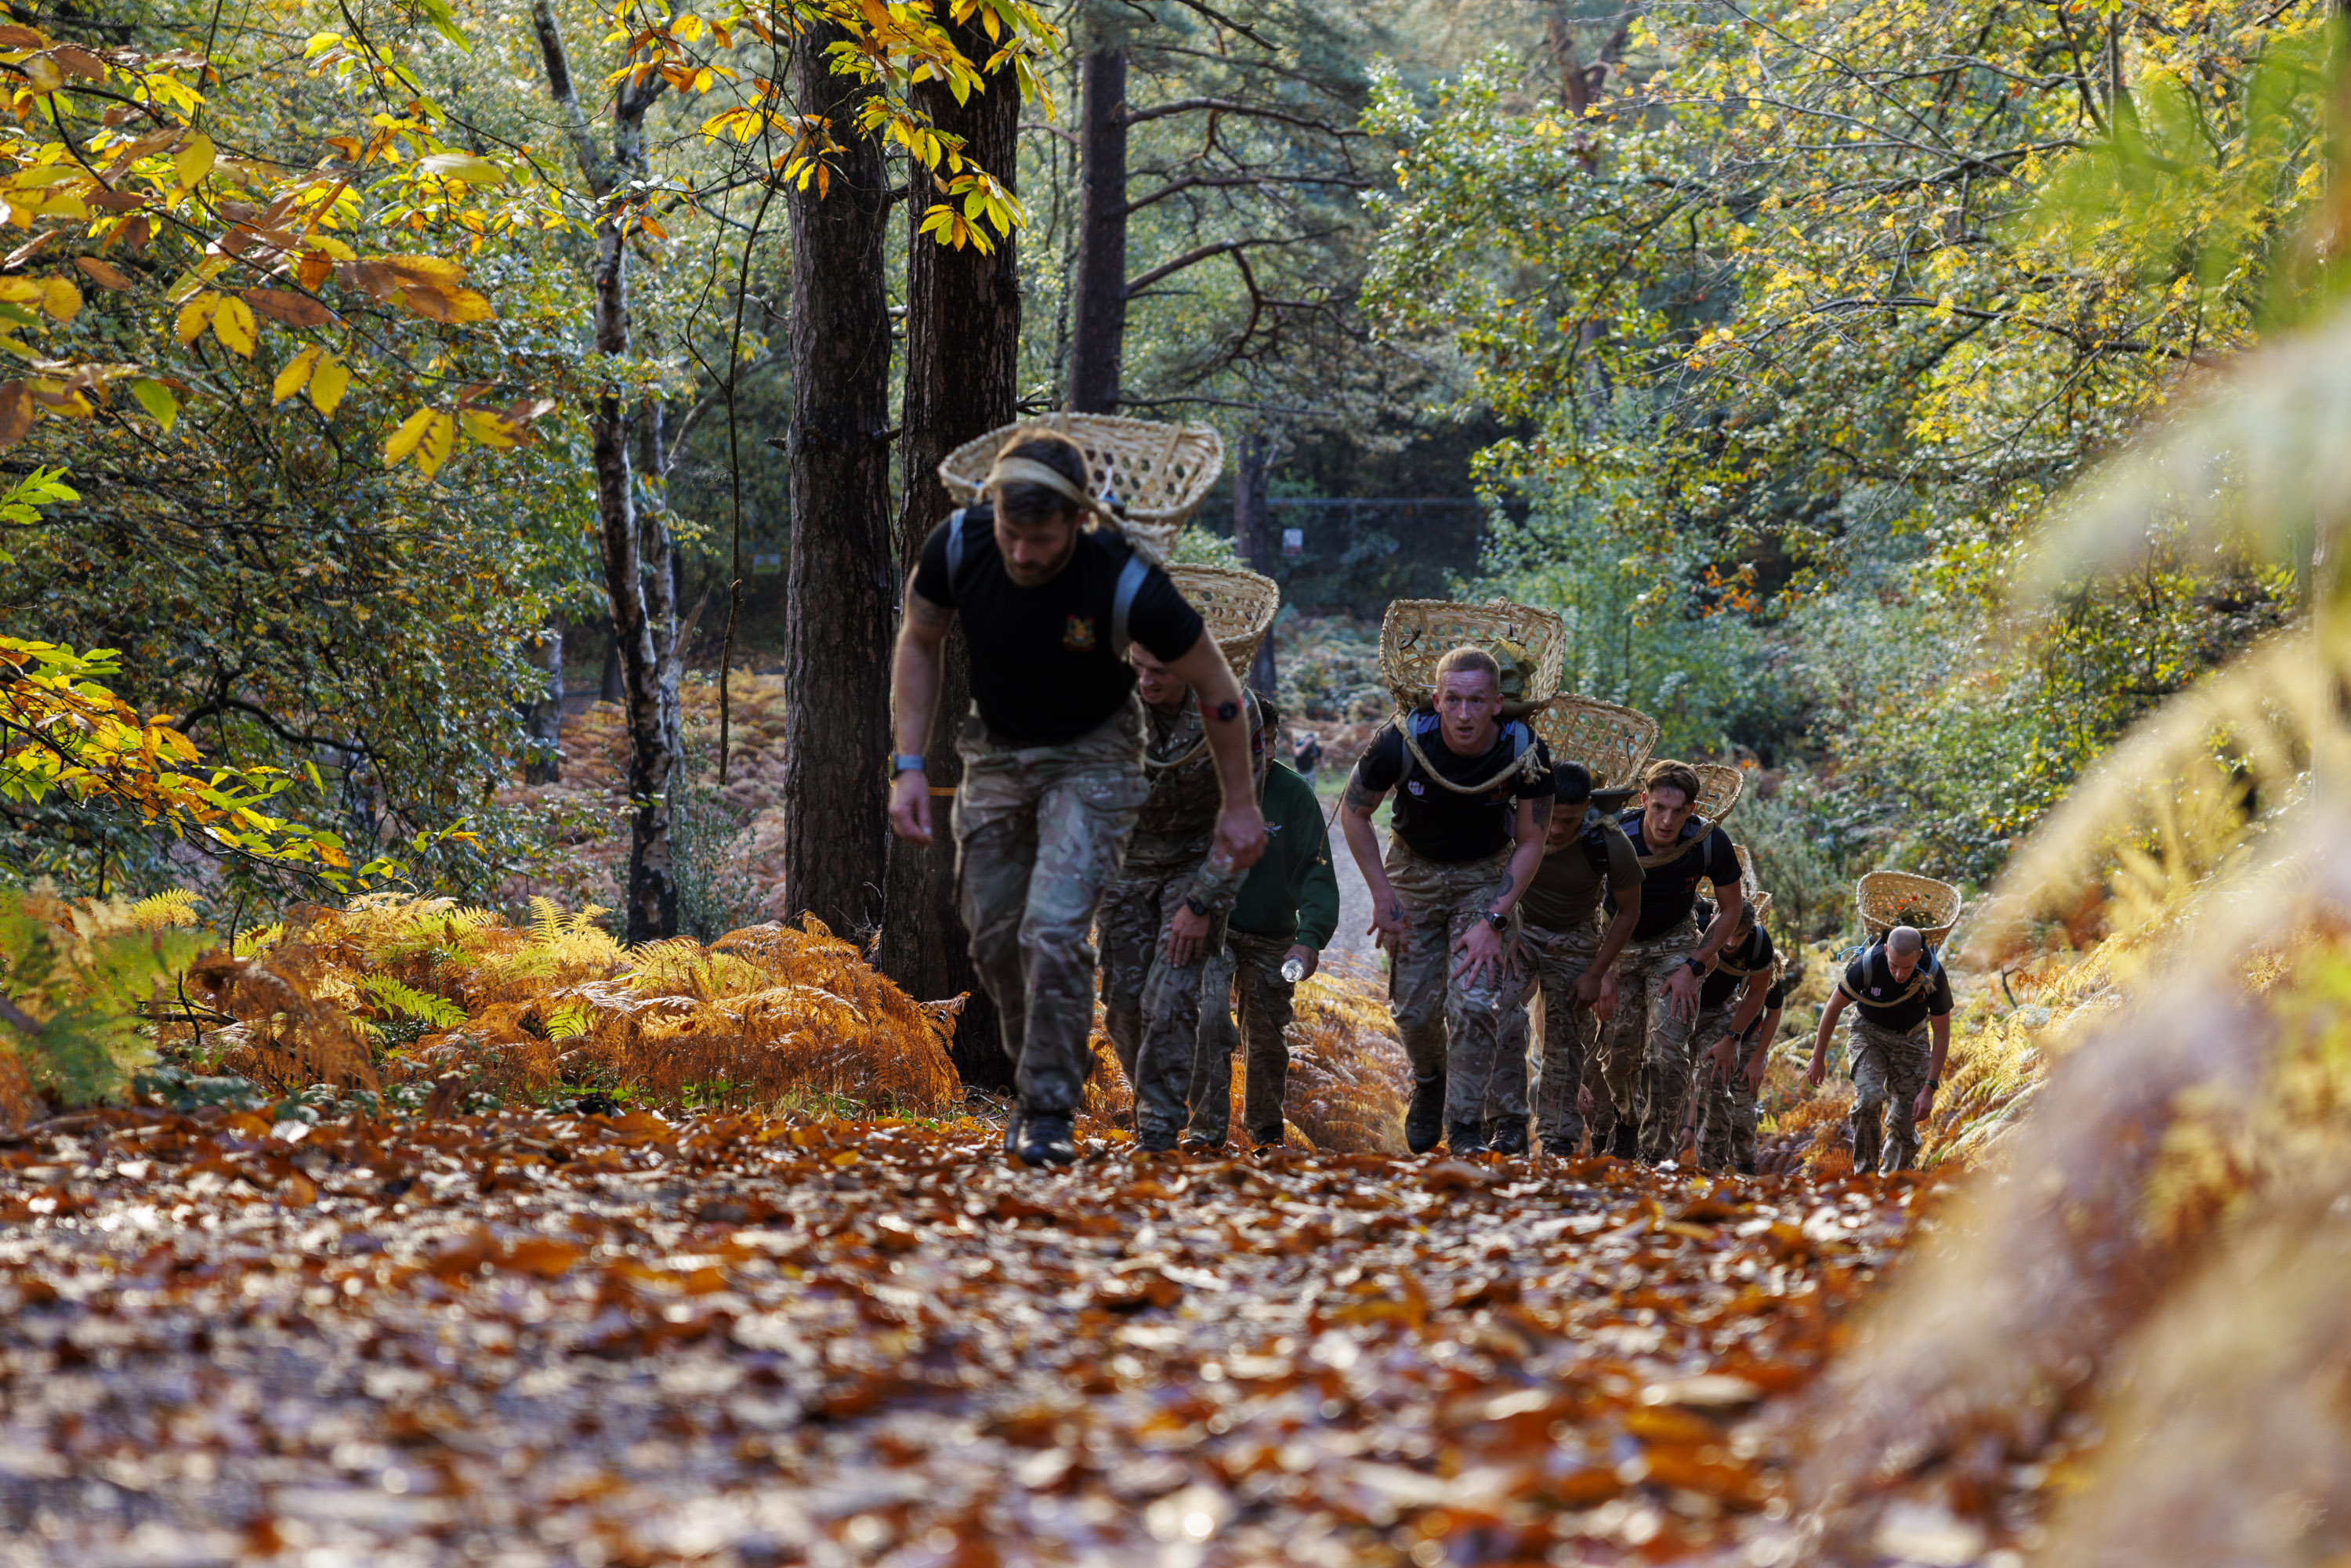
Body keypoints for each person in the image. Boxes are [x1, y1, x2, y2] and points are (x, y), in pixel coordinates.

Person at [886, 428, 1266, 1168]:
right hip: (995, 752)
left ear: (1079, 520)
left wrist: (1240, 804)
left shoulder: (1125, 582)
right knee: (995, 937)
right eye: (1011, 533)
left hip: (1096, 756)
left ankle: (1049, 1105)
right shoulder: (958, 546)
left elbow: (1222, 691)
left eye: (1041, 537)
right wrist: (906, 763)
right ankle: (1043, 1074)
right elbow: (920, 637)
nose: (1023, 553)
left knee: (1053, 931)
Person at [1341, 646, 1555, 1156]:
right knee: (1414, 1012)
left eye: (1476, 701)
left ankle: (1463, 1125)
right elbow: (1355, 813)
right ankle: (1430, 1080)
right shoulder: (1400, 742)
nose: (1464, 714)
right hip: (1412, 872)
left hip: (1485, 875)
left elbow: (1532, 840)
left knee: (1477, 1001)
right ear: (1436, 700)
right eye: (1453, 699)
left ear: (1496, 703)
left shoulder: (1524, 749)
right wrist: (1382, 894)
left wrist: (1495, 919)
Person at [1097, 644, 1262, 1152]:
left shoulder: (1229, 706)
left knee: (1168, 999)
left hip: (1197, 862)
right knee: (1122, 1007)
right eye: (1139, 667)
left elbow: (1242, 818)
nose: (1146, 680)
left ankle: (1158, 1130)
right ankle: (1159, 1099)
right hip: (1125, 865)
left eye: (1160, 670)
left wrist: (1201, 903)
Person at [1186, 694, 1340, 1150]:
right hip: (1213, 928)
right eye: (1255, 742)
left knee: (1268, 1038)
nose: (1266, 753)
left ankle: (1267, 1136)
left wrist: (1310, 939)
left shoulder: (1293, 795)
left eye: (1272, 742)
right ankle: (1205, 1133)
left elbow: (1316, 872)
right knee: (1210, 1019)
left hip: (1273, 935)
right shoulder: (1201, 788)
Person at [1594, 759, 1744, 1163]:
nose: (1666, 820)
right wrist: (1601, 970)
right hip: (1614, 944)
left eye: (1678, 811)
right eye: (1659, 807)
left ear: (1691, 810)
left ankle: (1654, 1152)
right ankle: (1625, 1119)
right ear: (1644, 800)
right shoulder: (1613, 834)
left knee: (1670, 1051)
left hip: (1673, 945)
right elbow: (1585, 899)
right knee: (1617, 1055)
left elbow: (1731, 909)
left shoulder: (1708, 843)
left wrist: (1692, 967)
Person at [1489, 762, 1642, 1154]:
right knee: (1494, 1011)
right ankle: (1507, 1125)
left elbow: (1628, 912)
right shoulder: (1512, 826)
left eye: (1568, 820)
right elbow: (1485, 879)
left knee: (1565, 1040)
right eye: (1550, 817)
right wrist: (1502, 930)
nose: (1556, 829)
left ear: (1587, 808)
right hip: (1520, 926)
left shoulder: (1606, 842)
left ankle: (1558, 1141)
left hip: (1576, 936)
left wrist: (1597, 972)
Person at [1803, 925, 1952, 1172]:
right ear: (1885, 951)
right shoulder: (1868, 965)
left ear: (1918, 955)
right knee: (1868, 1100)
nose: (1898, 974)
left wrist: (1930, 1087)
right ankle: (1866, 1177)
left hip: (1912, 1040)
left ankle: (1893, 1181)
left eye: (1906, 968)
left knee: (1905, 1122)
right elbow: (1833, 1007)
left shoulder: (1933, 974)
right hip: (1868, 1034)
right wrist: (1817, 1057)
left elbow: (1942, 1033)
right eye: (1893, 965)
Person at [1672, 893, 1777, 1168]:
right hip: (1676, 1002)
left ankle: (1711, 1171)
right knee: (1665, 1080)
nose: (1731, 942)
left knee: (1716, 1082)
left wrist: (1731, 1039)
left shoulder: (1759, 944)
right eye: (1728, 933)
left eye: (1739, 936)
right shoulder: (1693, 923)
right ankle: (1654, 1163)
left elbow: (1756, 996)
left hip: (1719, 1011)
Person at [1697, 956, 1785, 1175]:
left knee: (1742, 1116)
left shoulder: (1765, 967)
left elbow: (1774, 1012)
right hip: (1716, 1038)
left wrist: (1757, 1060)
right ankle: (1713, 1171)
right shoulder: (1715, 960)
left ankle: (1746, 1166)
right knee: (1714, 1104)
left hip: (1750, 1043)